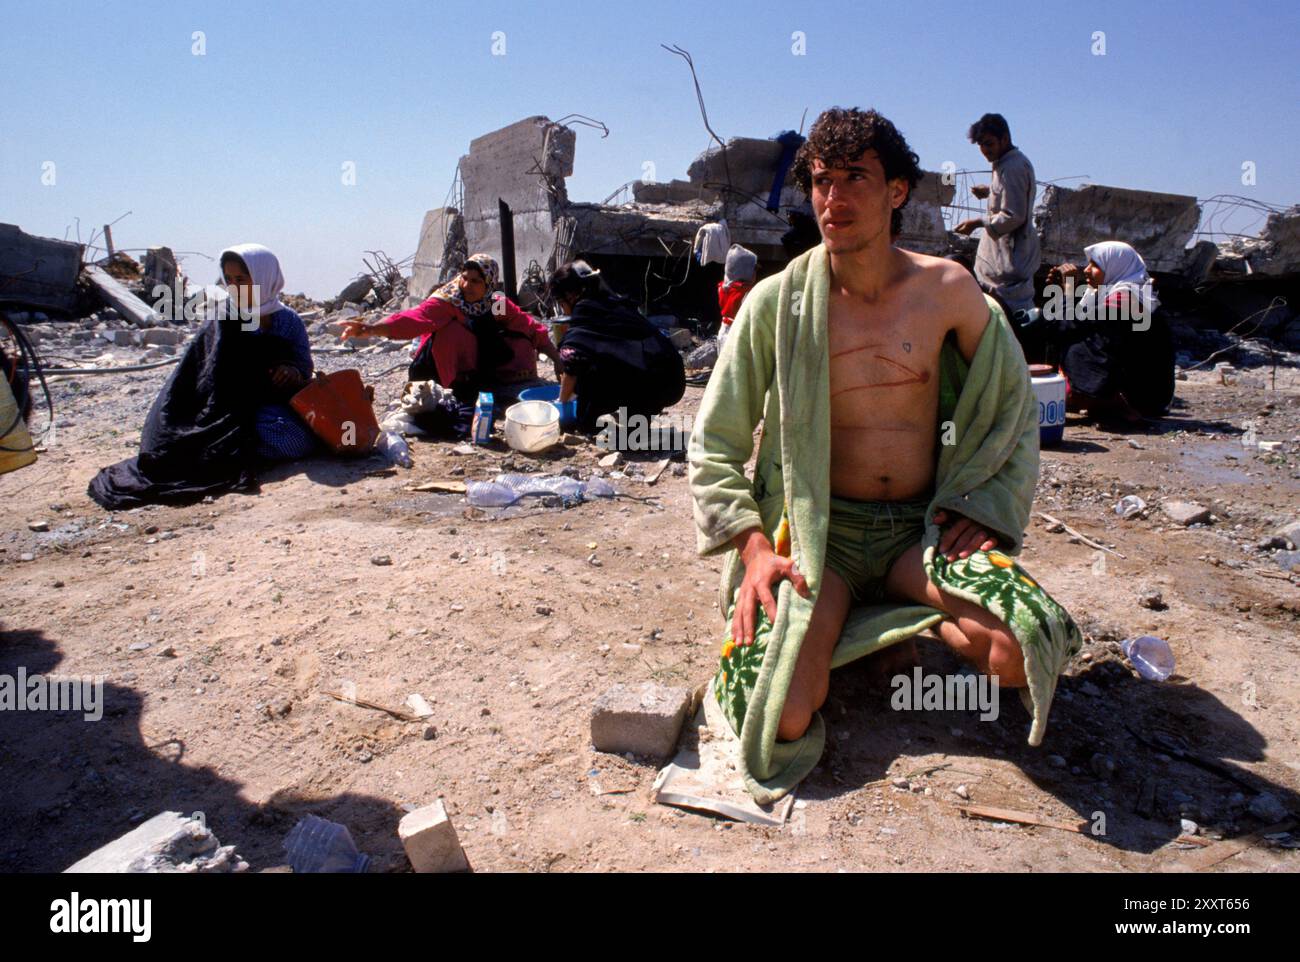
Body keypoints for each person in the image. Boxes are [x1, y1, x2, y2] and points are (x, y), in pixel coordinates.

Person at [688, 107, 1081, 802]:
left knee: (1023, 648)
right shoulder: (776, 303)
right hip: (817, 541)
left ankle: (880, 626)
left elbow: (1012, 413)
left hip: (919, 535)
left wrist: (982, 509)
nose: (832, 199)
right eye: (820, 181)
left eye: (854, 179)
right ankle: (849, 632)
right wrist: (752, 549)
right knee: (774, 714)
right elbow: (715, 441)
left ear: (898, 190)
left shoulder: (949, 293)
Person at [88, 243, 318, 508]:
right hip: (222, 410)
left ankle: (239, 450)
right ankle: (235, 452)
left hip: (270, 403)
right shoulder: (225, 317)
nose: (235, 287)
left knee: (302, 438)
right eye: (229, 280)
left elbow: (304, 366)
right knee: (293, 442)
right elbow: (211, 377)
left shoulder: (288, 320)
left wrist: (291, 371)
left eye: (242, 280)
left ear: (265, 278)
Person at [341, 253, 561, 405]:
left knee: (519, 339)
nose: (466, 285)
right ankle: (459, 391)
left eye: (475, 281)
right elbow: (411, 320)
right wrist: (370, 329)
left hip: (478, 364)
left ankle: (496, 381)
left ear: (489, 284)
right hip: (437, 371)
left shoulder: (495, 301)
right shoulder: (447, 301)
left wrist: (557, 360)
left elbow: (530, 327)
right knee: (452, 331)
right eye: (464, 278)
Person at [548, 260, 686, 433]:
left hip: (655, 384)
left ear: (572, 295)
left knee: (586, 373)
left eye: (561, 302)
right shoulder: (615, 303)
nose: (563, 309)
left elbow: (572, 361)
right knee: (606, 362)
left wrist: (561, 402)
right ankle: (637, 420)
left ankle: (594, 423)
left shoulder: (585, 310)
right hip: (672, 379)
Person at [1046, 241, 1174, 423]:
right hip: (1145, 392)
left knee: (1078, 345)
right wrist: (1061, 293)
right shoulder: (1121, 294)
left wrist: (1068, 291)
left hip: (1143, 397)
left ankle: (1112, 404)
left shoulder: (1125, 299)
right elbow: (1065, 323)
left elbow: (1068, 325)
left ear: (1115, 267)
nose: (1087, 270)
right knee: (1064, 334)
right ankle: (1086, 396)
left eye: (1095, 265)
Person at [953, 113, 1041, 317]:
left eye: (989, 143)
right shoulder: (1004, 164)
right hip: (1003, 260)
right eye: (981, 145)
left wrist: (977, 222)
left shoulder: (1013, 167)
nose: (985, 150)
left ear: (1005, 139)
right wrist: (990, 191)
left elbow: (1014, 215)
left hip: (1011, 260)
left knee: (1007, 317)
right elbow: (1009, 194)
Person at [717, 244, 758, 348]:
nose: (756, 274)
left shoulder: (722, 287)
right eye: (754, 270)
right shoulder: (746, 293)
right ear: (746, 272)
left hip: (723, 330)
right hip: (737, 333)